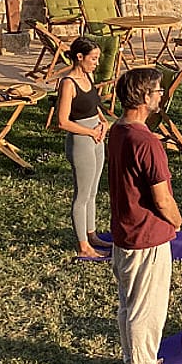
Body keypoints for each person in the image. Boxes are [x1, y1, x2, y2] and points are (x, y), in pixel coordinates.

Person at [108, 67, 182, 364]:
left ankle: (135, 359)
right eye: (157, 91)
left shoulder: (118, 130)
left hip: (124, 231)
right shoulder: (147, 142)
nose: (161, 95)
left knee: (129, 302)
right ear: (142, 96)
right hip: (146, 234)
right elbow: (162, 198)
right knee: (147, 306)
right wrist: (177, 221)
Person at [55, 36, 110, 258]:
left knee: (93, 192)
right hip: (82, 141)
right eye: (93, 58)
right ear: (79, 57)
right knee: (82, 194)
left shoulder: (88, 75)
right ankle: (83, 245)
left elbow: (93, 104)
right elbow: (62, 121)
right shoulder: (68, 83)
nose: (96, 63)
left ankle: (92, 234)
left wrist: (103, 121)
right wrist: (90, 132)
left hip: (97, 137)